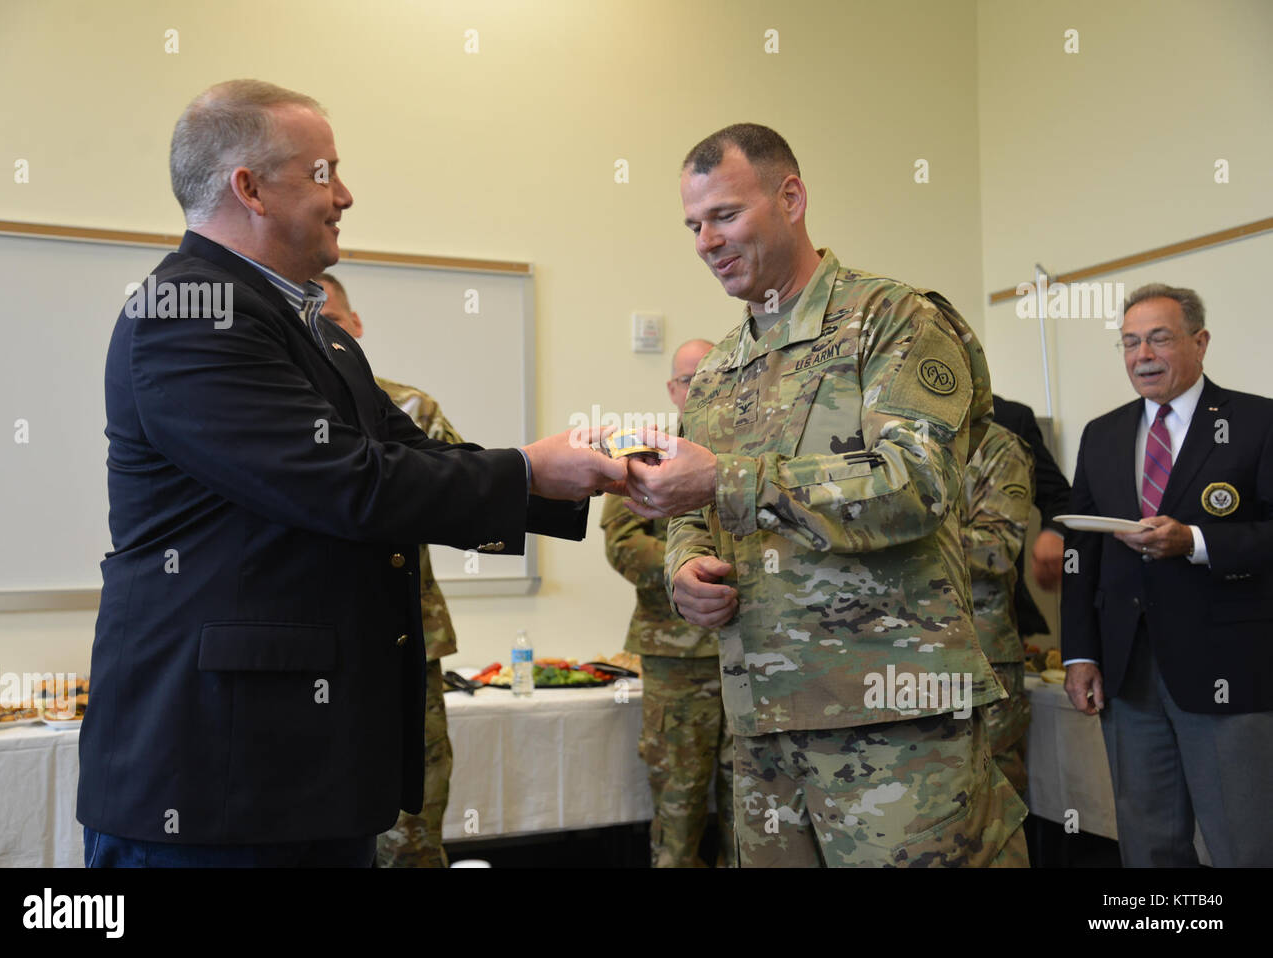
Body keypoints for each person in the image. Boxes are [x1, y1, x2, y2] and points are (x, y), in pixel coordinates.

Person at [78, 79, 625, 867]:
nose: (347, 197)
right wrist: (529, 471)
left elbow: (415, 460)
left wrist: (565, 471)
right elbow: (344, 484)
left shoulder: (312, 333)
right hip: (214, 781)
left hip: (307, 771)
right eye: (325, 173)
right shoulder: (188, 311)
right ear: (250, 188)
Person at [624, 123, 1028, 867]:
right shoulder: (716, 373)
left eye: (725, 215)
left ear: (792, 197)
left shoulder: (893, 321)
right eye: (692, 224)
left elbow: (916, 485)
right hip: (761, 722)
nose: (706, 241)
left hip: (894, 724)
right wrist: (685, 569)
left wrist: (729, 478)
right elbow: (693, 514)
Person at [1061, 283, 1273, 867]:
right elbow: (1082, 550)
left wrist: (1197, 542)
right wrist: (1079, 652)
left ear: (1200, 342)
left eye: (1159, 338)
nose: (1142, 355)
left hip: (1227, 669)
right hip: (1128, 672)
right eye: (1129, 342)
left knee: (1243, 841)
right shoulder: (1102, 434)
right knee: (1148, 841)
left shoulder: (1257, 422)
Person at [318, 272, 458, 869]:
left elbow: (462, 501)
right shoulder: (265, 410)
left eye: (335, 322)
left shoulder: (407, 407)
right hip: (308, 647)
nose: (324, 334)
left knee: (411, 831)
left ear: (356, 330)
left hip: (404, 641)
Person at [600, 338, 734, 868]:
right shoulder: (640, 447)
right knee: (679, 799)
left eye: (711, 376)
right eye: (689, 380)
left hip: (753, 649)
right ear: (673, 390)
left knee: (754, 800)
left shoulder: (746, 446)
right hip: (676, 655)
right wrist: (688, 568)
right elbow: (624, 546)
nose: (700, 388)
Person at [962, 422, 1035, 798]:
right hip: (898, 655)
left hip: (980, 656)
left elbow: (999, 548)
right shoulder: (889, 443)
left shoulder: (996, 446)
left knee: (993, 797)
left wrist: (899, 532)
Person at [991, 396, 1071, 639]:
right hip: (899, 621)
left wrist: (1054, 534)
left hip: (996, 622)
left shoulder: (1009, 419)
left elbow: (1060, 498)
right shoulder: (879, 417)